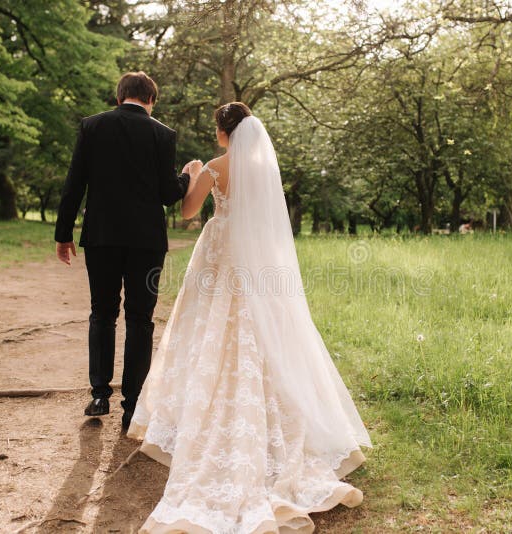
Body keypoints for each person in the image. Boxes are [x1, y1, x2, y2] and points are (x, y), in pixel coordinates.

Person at [128, 102, 372, 533]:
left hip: (221, 251)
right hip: (258, 259)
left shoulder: (216, 167)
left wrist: (191, 173)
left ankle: (201, 404)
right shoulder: (264, 168)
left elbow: (187, 212)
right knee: (259, 329)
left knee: (209, 324)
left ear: (223, 132)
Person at [54, 71, 202, 430]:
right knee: (140, 319)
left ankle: (99, 394)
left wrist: (63, 233)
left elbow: (74, 183)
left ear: (119, 97)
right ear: (151, 100)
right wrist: (187, 175)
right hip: (146, 242)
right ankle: (133, 405)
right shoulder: (163, 134)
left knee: (102, 313)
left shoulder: (92, 126)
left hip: (101, 236)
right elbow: (168, 194)